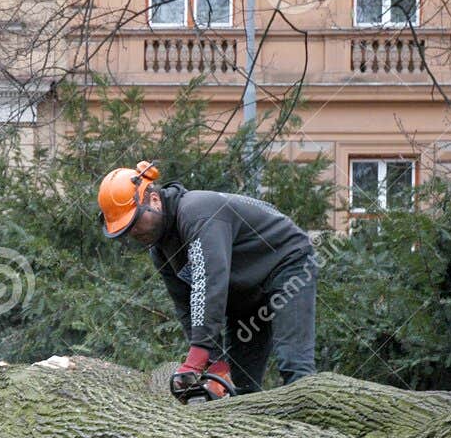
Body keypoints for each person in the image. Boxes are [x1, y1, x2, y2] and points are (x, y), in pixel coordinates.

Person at [98, 161, 318, 400]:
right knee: (240, 386)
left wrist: (197, 358)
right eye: (126, 229)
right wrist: (214, 362)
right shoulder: (161, 249)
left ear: (153, 199)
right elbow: (186, 305)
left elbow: (210, 280)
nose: (134, 232)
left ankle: (311, 427)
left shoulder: (197, 212)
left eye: (135, 221)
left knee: (294, 364)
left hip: (286, 265)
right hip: (243, 292)